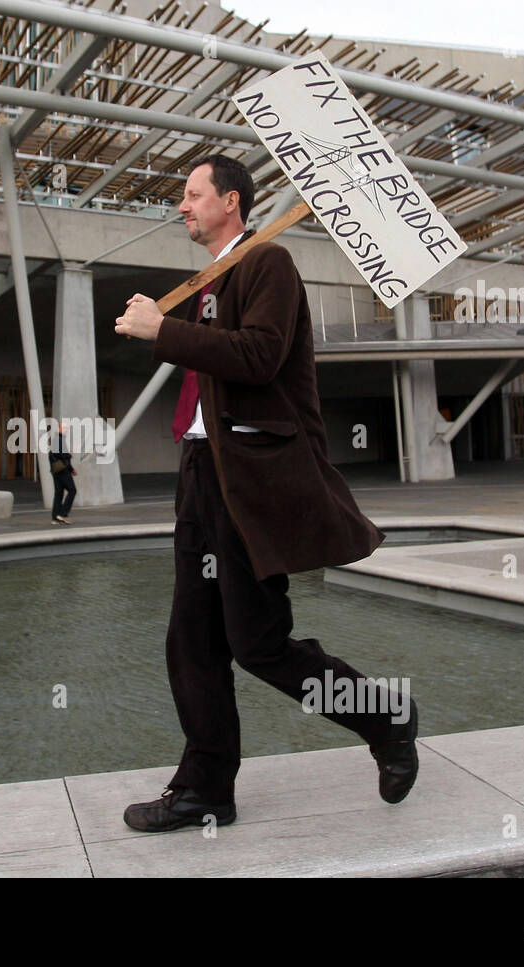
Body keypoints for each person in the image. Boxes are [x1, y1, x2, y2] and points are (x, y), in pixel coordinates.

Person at [113, 153, 419, 833]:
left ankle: (385, 716)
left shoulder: (268, 264)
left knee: (257, 643)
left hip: (247, 478)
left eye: (192, 195)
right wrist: (174, 324)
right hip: (201, 472)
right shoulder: (213, 277)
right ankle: (205, 789)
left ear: (230, 200)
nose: (182, 206)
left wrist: (163, 332)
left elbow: (257, 355)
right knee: (190, 639)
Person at [48, 421, 77, 525]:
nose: (66, 430)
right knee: (72, 490)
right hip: (62, 471)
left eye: (67, 428)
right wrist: (69, 455)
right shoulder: (58, 439)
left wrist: (72, 469)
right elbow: (61, 455)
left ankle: (55, 517)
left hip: (57, 470)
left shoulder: (58, 439)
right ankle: (63, 514)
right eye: (64, 428)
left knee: (59, 493)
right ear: (59, 428)